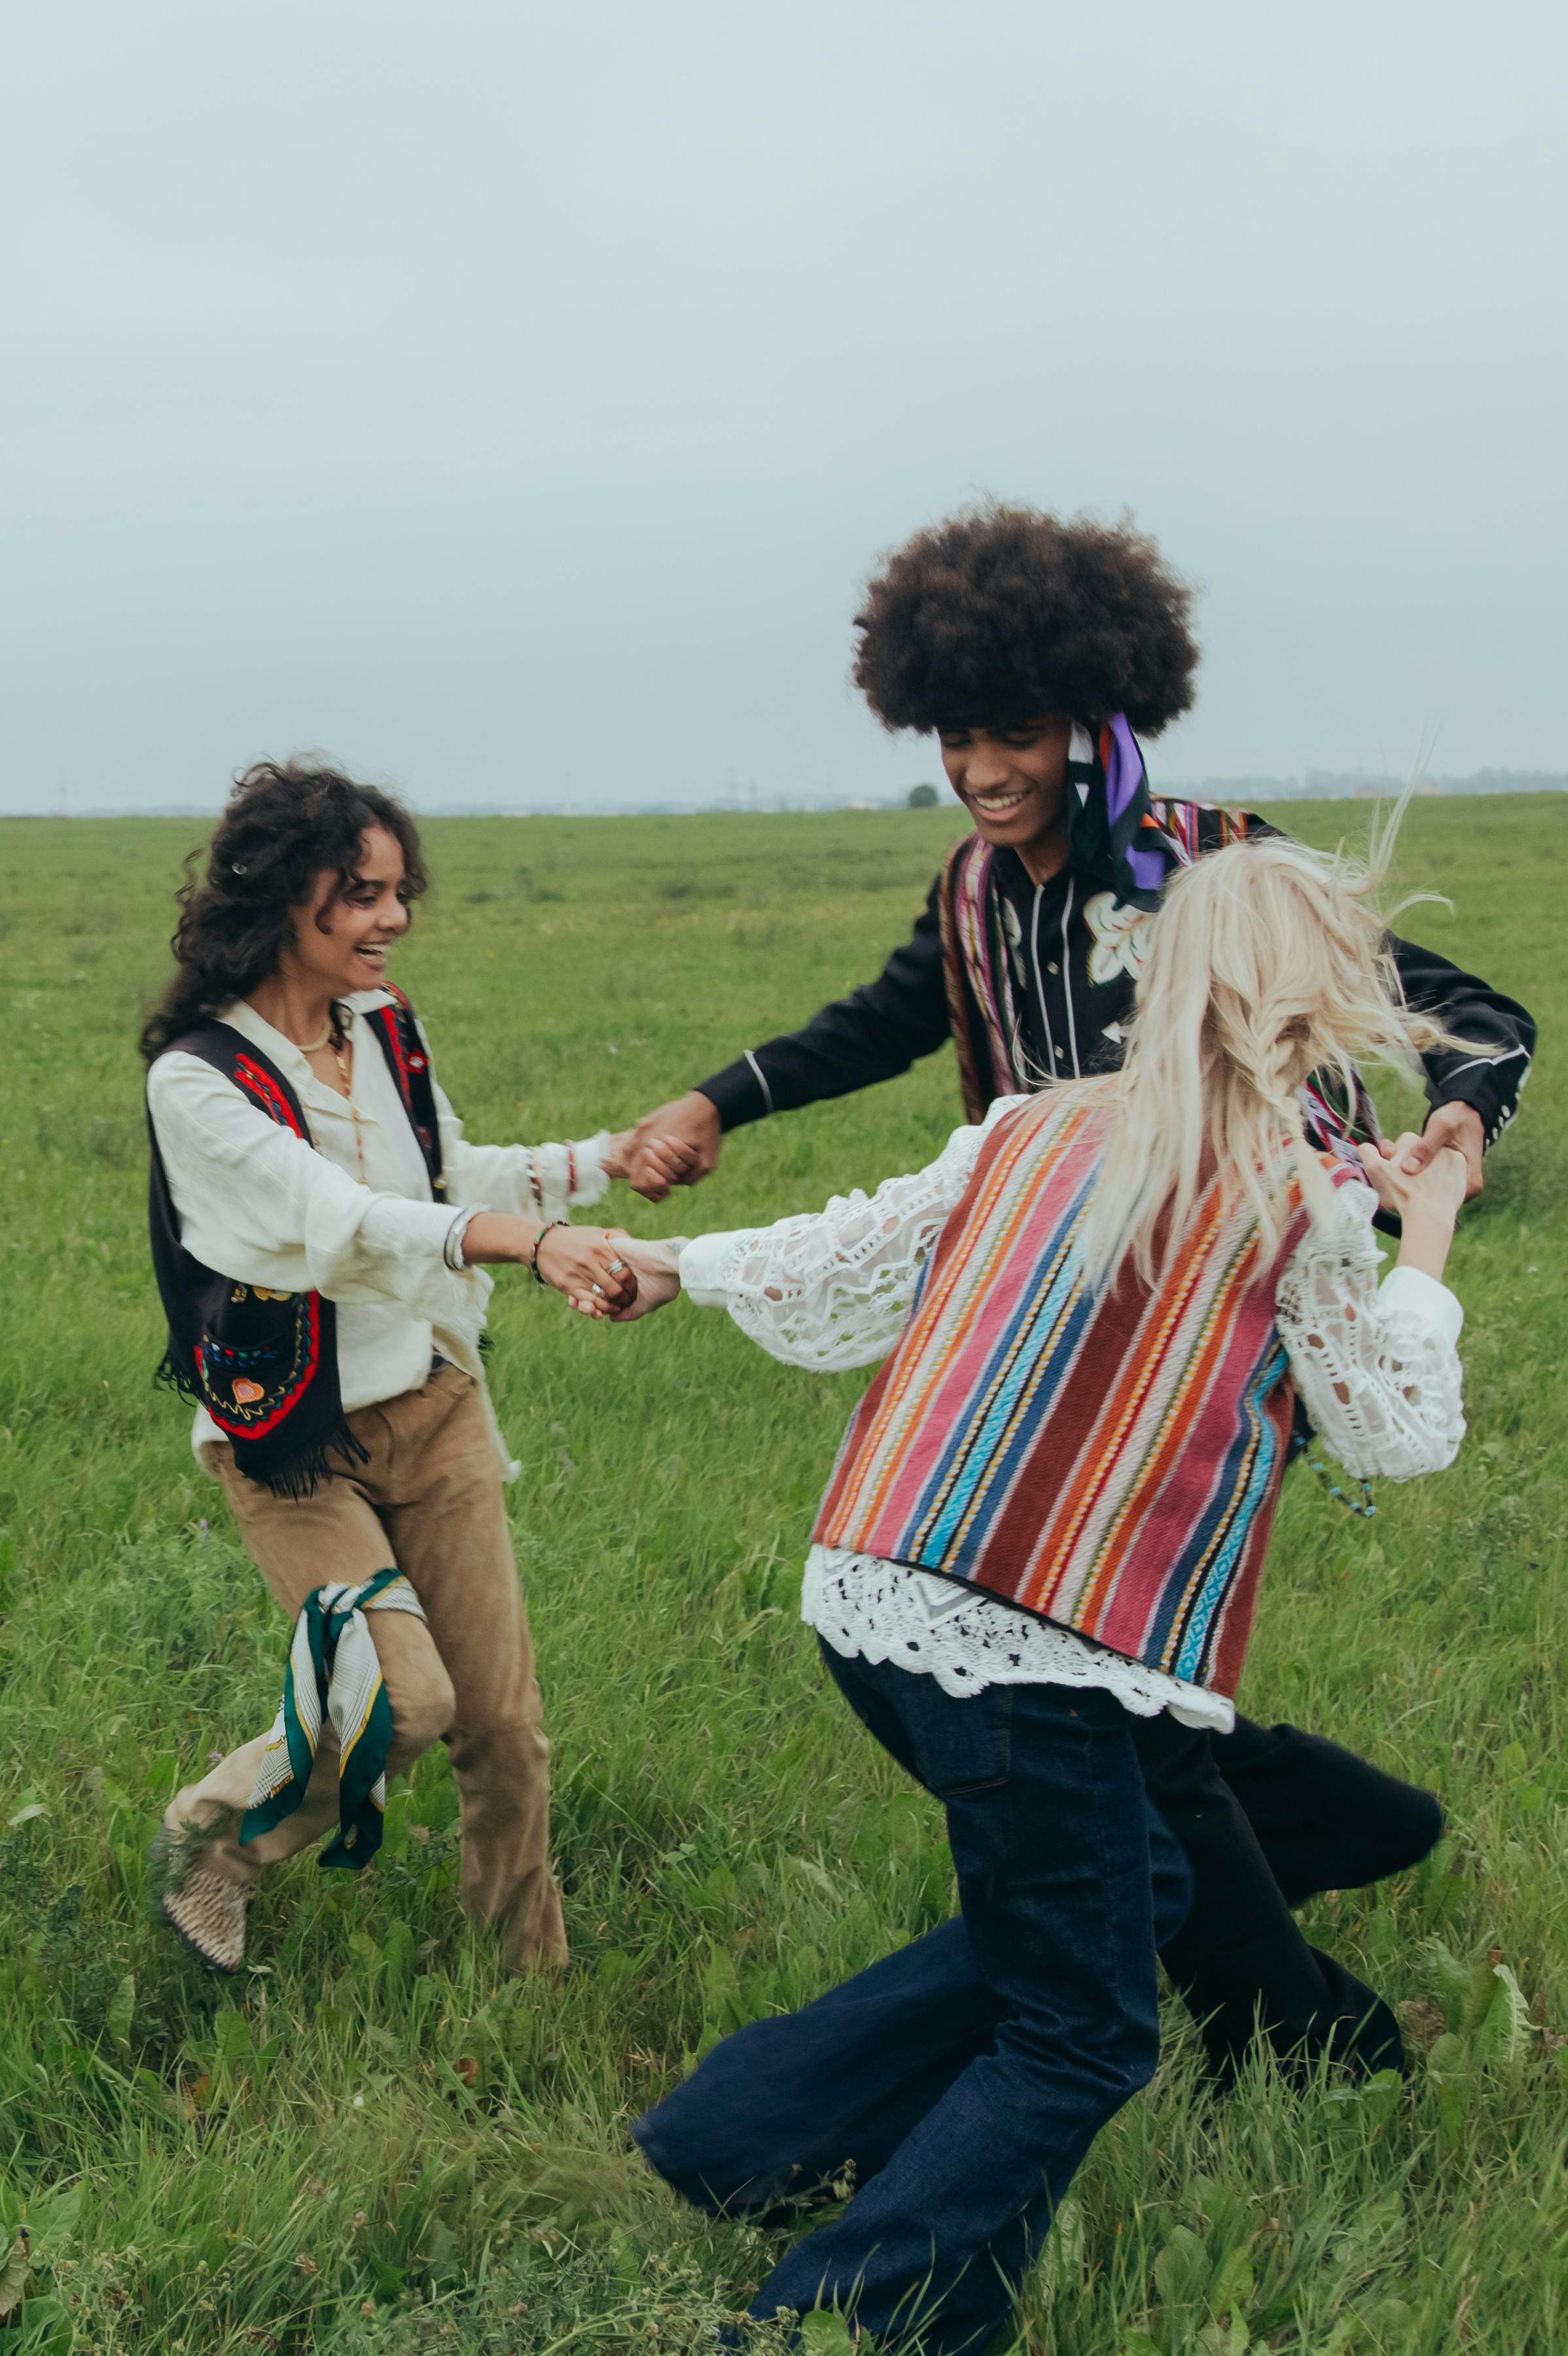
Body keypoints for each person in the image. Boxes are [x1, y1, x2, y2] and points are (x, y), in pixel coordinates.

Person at [623, 503, 1535, 2079]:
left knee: (1116, 1669)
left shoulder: (1217, 865)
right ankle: (1305, 1940)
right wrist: (720, 1100)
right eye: (957, 737)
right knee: (1110, 1683)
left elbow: (1463, 1008)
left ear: (1095, 719)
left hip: (1222, 1320)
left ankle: (1282, 2010)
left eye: (1016, 735)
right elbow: (891, 1016)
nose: (984, 769)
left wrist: (1457, 1116)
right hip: (1035, 1325)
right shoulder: (972, 894)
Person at [611, 826, 1470, 2353]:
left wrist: (677, 1265)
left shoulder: (1027, 1124)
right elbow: (1398, 1429)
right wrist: (1434, 1228)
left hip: (873, 1588)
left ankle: (731, 2140)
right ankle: (843, 2323)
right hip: (1041, 1646)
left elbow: (843, 1251)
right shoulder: (1308, 1203)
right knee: (1078, 2030)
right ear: (1310, 1004)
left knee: (1120, 1894)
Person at [144, 759, 641, 1974]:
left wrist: (606, 1160)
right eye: (361, 895)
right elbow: (349, 1217)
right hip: (295, 1442)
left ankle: (521, 1978)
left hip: (434, 1403)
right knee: (402, 1704)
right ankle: (215, 1842)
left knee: (506, 1726)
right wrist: (533, 1245)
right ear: (280, 902)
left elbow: (439, 1175)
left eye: (397, 890)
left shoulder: (385, 1027)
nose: (394, 918)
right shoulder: (197, 1081)